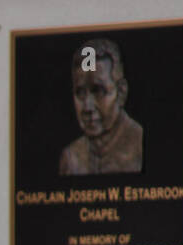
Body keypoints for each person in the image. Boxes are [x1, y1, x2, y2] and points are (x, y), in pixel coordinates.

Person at [58, 38, 143, 175]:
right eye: (80, 93)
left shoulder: (140, 146)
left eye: (98, 91)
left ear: (121, 93)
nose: (87, 107)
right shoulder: (71, 158)